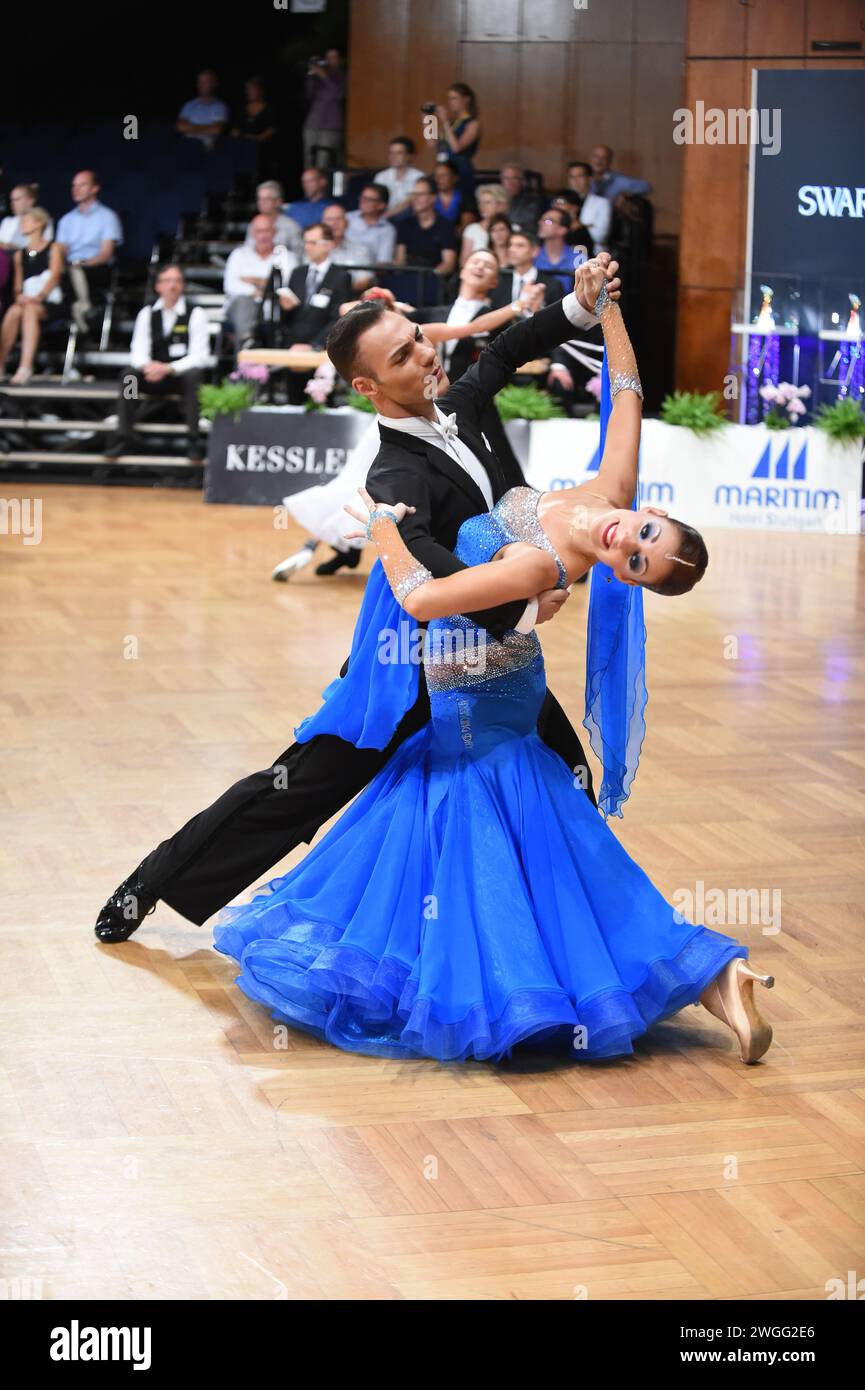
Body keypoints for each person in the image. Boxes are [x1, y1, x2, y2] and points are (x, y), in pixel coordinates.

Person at [210, 256, 774, 1069]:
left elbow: (420, 601)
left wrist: (385, 536)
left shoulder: (541, 566)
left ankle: (542, 985)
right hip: (492, 688)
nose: (632, 544)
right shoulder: (607, 490)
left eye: (639, 563)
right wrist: (603, 305)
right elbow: (626, 394)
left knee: (493, 853)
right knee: (557, 849)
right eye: (648, 533)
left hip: (477, 701)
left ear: (625, 579)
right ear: (648, 511)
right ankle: (717, 976)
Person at [93, 258, 618, 946]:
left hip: (491, 655)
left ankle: (572, 928)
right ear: (367, 385)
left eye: (419, 339)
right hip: (412, 661)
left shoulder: (463, 405)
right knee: (302, 786)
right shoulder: (393, 472)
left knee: (561, 767)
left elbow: (507, 347)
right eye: (403, 356)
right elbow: (427, 560)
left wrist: (579, 310)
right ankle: (151, 881)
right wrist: (522, 605)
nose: (425, 356)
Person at [272, 282, 541, 582]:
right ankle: (338, 548)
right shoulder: (375, 346)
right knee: (357, 485)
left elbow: (476, 327)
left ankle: (334, 548)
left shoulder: (417, 333)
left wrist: (517, 308)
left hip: (429, 412)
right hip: (395, 422)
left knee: (369, 491)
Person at [103, 264, 209, 461]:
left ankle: (193, 438)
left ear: (183, 285)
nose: (172, 285)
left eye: (177, 281)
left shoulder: (196, 314)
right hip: (150, 377)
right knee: (129, 377)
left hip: (178, 378)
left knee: (195, 375)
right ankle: (124, 435)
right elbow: (137, 352)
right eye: (167, 281)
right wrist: (148, 367)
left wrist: (168, 368)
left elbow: (200, 356)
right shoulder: (147, 313)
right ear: (158, 286)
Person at [272, 224, 352, 400]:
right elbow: (288, 318)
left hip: (322, 348)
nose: (308, 247)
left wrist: (315, 345)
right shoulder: (297, 273)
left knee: (321, 403)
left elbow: (339, 318)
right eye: (306, 242)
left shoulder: (340, 276)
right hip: (295, 346)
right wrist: (286, 308)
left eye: (313, 242)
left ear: (328, 245)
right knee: (293, 401)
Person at [0, 207, 64, 385]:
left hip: (49, 300)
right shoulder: (20, 254)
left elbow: (55, 275)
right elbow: (18, 283)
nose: (23, 224)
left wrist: (39, 296)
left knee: (29, 310)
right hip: (28, 299)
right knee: (14, 311)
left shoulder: (54, 247)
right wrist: (19, 295)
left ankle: (25, 367)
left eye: (27, 221)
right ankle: (1, 364)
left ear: (39, 223)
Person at [55, 170, 123, 335]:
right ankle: (79, 309)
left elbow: (106, 254)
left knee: (76, 269)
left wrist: (81, 263)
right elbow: (60, 251)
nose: (76, 189)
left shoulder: (107, 217)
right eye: (74, 185)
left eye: (82, 185)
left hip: (95, 268)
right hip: (69, 269)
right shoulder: (66, 220)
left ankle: (83, 305)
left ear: (94, 188)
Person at [223, 215, 296, 351]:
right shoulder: (238, 255)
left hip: (274, 310)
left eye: (267, 231)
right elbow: (230, 285)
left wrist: (252, 280)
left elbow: (286, 286)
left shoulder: (286, 256)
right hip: (240, 310)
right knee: (243, 301)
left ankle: (257, 357)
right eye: (258, 231)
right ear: (252, 233)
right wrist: (258, 290)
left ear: (274, 232)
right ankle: (247, 344)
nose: (263, 236)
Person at [394, 177, 458, 305]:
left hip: (433, 281)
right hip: (407, 278)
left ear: (433, 198)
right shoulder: (405, 224)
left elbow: (448, 263)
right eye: (413, 194)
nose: (415, 198)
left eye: (420, 194)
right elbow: (400, 259)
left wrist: (429, 277)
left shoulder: (445, 226)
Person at [490, 230, 564, 308]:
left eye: (520, 245)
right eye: (510, 245)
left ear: (534, 251)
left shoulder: (552, 285)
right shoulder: (498, 281)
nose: (511, 249)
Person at [434, 83, 481, 199]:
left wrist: (445, 122)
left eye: (454, 98)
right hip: (443, 169)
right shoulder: (451, 123)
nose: (451, 102)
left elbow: (456, 147)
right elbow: (432, 144)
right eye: (449, 99)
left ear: (466, 99)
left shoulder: (473, 123)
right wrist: (428, 121)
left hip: (460, 171)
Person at [302, 48, 346, 170]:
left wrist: (325, 76)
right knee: (309, 164)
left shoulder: (343, 77)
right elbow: (308, 95)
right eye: (327, 58)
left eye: (333, 57)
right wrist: (311, 74)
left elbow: (339, 94)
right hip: (312, 124)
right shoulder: (318, 78)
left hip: (331, 127)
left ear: (340, 60)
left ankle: (322, 189)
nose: (329, 61)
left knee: (323, 164)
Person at [231, 78, 278, 179]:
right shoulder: (242, 109)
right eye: (247, 89)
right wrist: (240, 135)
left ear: (260, 90)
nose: (249, 92)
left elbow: (270, 130)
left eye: (252, 89)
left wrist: (255, 139)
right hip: (243, 149)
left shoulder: (269, 109)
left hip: (262, 151)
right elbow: (235, 130)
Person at [321, 203, 374, 290]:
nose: (334, 223)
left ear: (347, 223)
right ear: (322, 224)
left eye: (339, 219)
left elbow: (365, 280)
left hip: (350, 298)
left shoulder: (361, 249)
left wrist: (336, 290)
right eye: (330, 219)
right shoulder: (313, 246)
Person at [535, 207, 585, 295]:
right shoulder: (533, 254)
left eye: (548, 221)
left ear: (562, 230)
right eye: (541, 220)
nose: (540, 223)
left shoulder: (578, 256)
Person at [244, 181, 302, 257]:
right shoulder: (254, 224)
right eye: (260, 199)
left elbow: (299, 255)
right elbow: (248, 250)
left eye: (267, 199)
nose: (262, 202)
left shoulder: (291, 226)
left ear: (278, 201)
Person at [565, 160, 612, 252]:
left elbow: (600, 236)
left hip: (591, 254)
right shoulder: (561, 201)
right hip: (563, 253)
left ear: (589, 179)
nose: (575, 181)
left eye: (580, 176)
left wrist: (576, 223)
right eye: (572, 177)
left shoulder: (602, 203)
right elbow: (548, 222)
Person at [176, 70, 229, 150]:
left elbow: (216, 130)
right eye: (200, 81)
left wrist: (190, 128)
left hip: (205, 145)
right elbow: (180, 127)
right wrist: (207, 127)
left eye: (206, 81)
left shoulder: (220, 106)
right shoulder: (189, 105)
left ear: (214, 84)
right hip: (187, 141)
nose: (202, 84)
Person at [345, 184, 396, 265]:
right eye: (362, 197)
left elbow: (383, 263)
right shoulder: (346, 218)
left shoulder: (387, 230)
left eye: (369, 199)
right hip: (340, 270)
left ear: (381, 205)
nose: (363, 201)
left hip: (368, 272)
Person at [374, 137, 425, 219]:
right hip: (383, 220)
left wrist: (386, 216)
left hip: (409, 220)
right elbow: (375, 201)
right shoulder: (381, 177)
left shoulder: (419, 177)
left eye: (398, 153)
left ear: (409, 156)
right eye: (391, 153)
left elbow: (410, 202)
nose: (393, 156)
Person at [459, 183, 509, 263]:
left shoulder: (514, 228)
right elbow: (464, 262)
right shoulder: (472, 229)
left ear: (501, 205)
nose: (482, 206)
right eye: (480, 202)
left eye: (488, 202)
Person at [0, 184, 53, 250]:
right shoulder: (7, 221)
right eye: (12, 200)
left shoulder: (43, 220)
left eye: (17, 199)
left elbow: (44, 247)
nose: (12, 203)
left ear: (30, 200)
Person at [499, 163, 544, 233]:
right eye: (506, 178)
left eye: (514, 178)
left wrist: (548, 222)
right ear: (501, 181)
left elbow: (548, 221)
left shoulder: (534, 201)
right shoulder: (496, 199)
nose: (509, 182)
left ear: (522, 181)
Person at [432, 162, 465, 226]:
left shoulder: (464, 198)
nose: (439, 179)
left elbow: (465, 227)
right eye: (436, 175)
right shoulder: (429, 198)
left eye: (444, 175)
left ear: (455, 178)